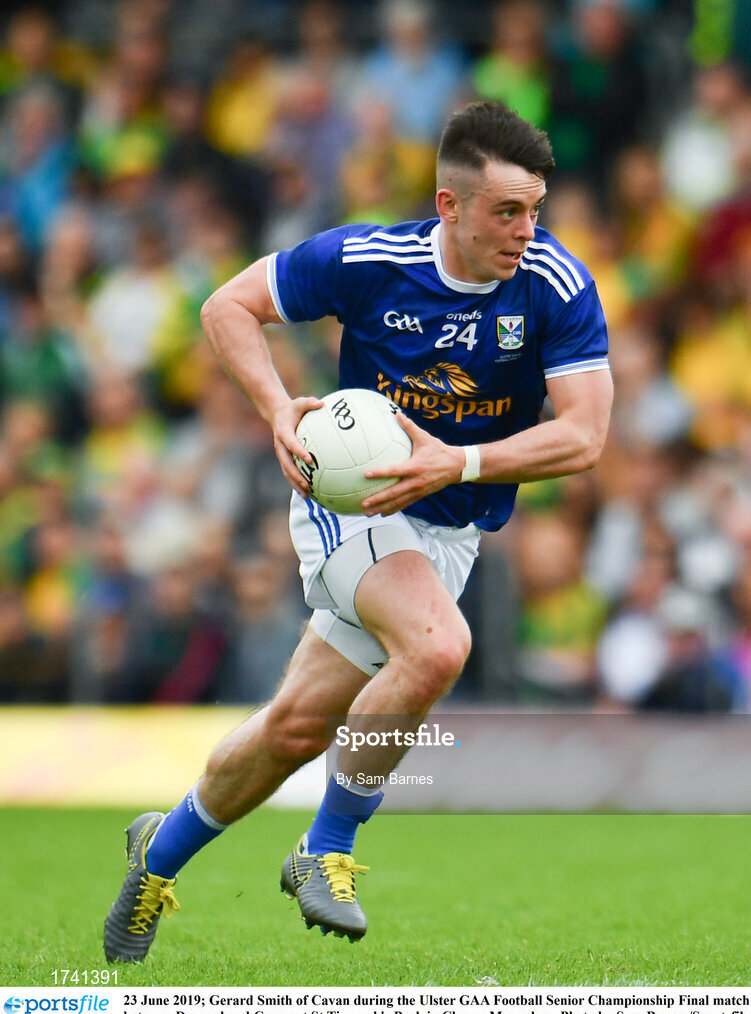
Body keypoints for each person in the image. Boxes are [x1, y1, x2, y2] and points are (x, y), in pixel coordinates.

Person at [103, 100, 613, 962]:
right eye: (505, 211)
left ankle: (157, 854)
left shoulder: (556, 285)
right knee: (440, 647)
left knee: (295, 729)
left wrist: (460, 463)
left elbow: (584, 434)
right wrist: (277, 411)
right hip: (353, 505)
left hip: (447, 524)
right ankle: (324, 848)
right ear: (449, 207)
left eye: (533, 208)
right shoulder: (368, 257)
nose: (526, 229)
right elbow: (228, 306)